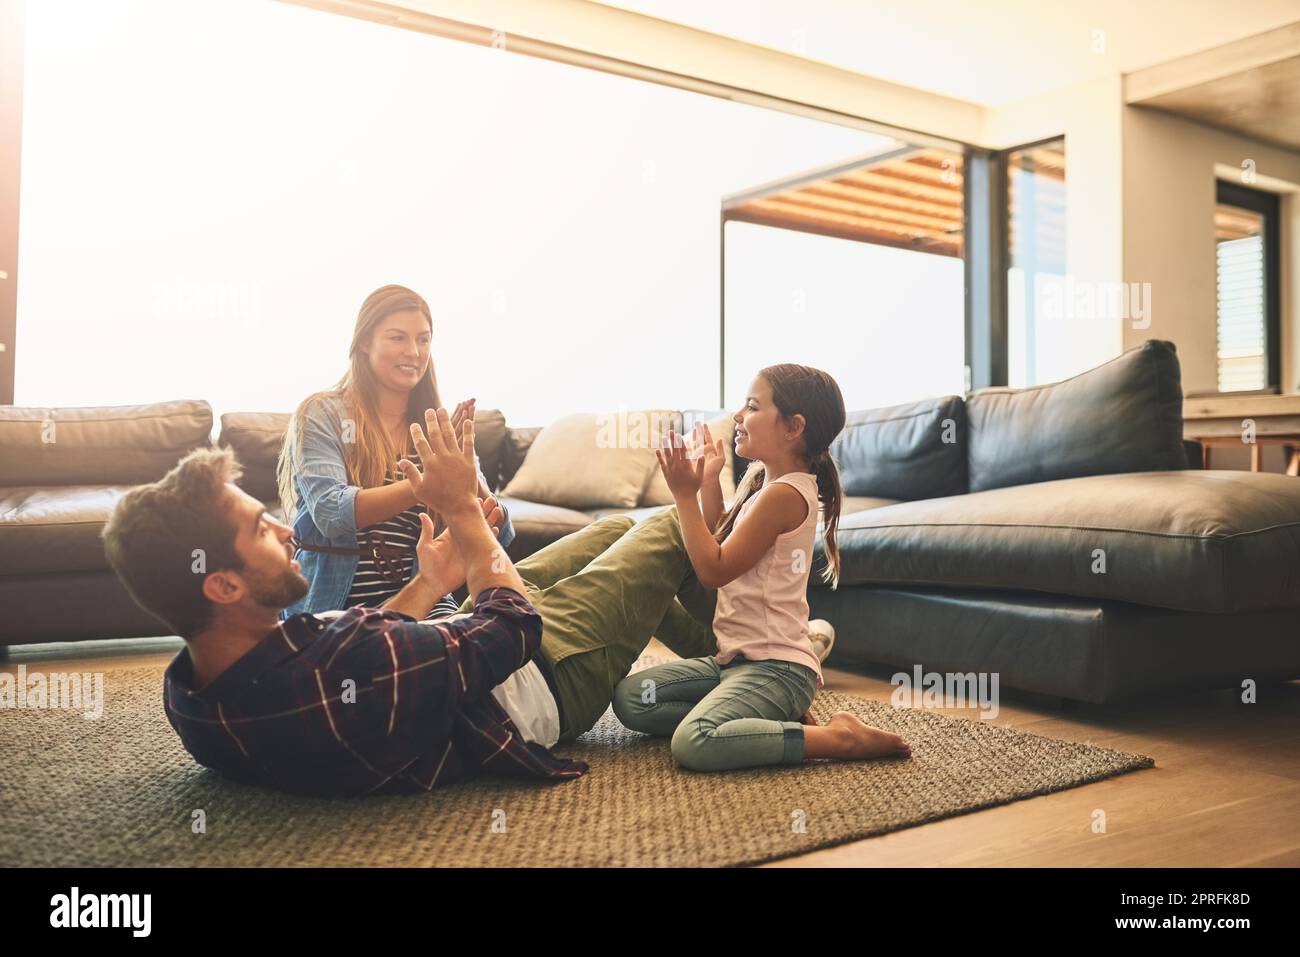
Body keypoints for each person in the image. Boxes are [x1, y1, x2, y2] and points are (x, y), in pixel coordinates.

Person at [612, 364, 912, 771]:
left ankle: (837, 737)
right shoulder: (764, 485)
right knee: (632, 699)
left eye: (752, 407)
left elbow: (713, 571)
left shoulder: (786, 495)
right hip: (732, 662)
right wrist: (706, 483)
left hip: (778, 669)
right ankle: (756, 722)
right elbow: (720, 544)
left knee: (694, 742)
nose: (738, 416)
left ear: (793, 427)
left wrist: (683, 495)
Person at [276, 284, 512, 620]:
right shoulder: (322, 414)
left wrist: (466, 477)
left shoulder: (438, 431)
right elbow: (331, 512)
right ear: (363, 343)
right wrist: (425, 485)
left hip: (426, 607)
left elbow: (500, 532)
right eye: (397, 338)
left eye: (423, 339)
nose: (414, 351)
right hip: (337, 613)